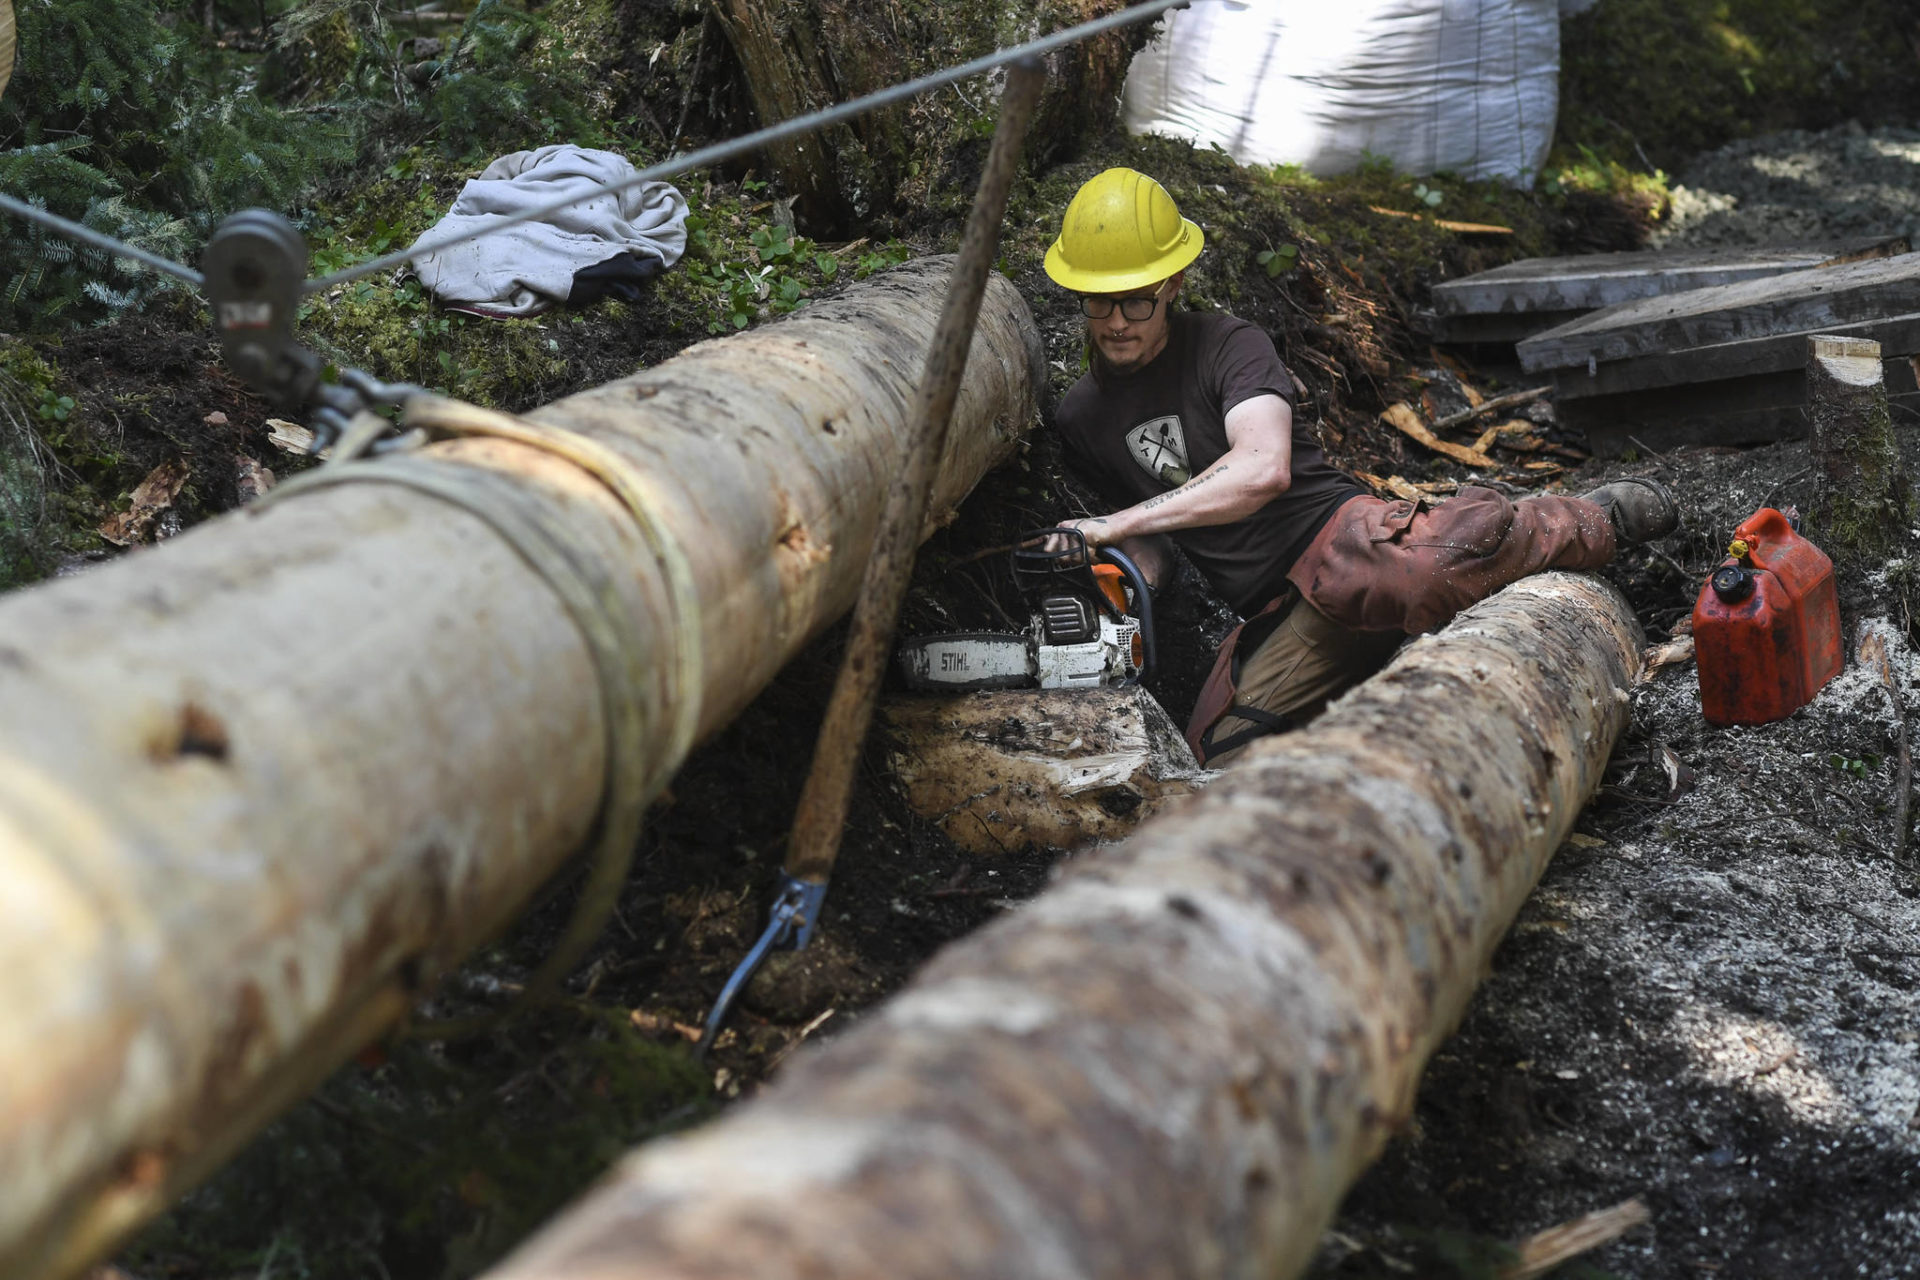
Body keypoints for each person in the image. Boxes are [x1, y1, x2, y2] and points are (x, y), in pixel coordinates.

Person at [1042, 168, 1678, 766]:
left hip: (1339, 545)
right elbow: (1149, 545)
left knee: (1426, 568)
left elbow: (1263, 467)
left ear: (1172, 285)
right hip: (1281, 611)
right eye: (1101, 304)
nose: (1118, 322)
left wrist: (1110, 523)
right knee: (1215, 755)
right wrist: (1107, 574)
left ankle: (1592, 517)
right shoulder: (1082, 417)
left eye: (1137, 302)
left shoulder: (1228, 344)